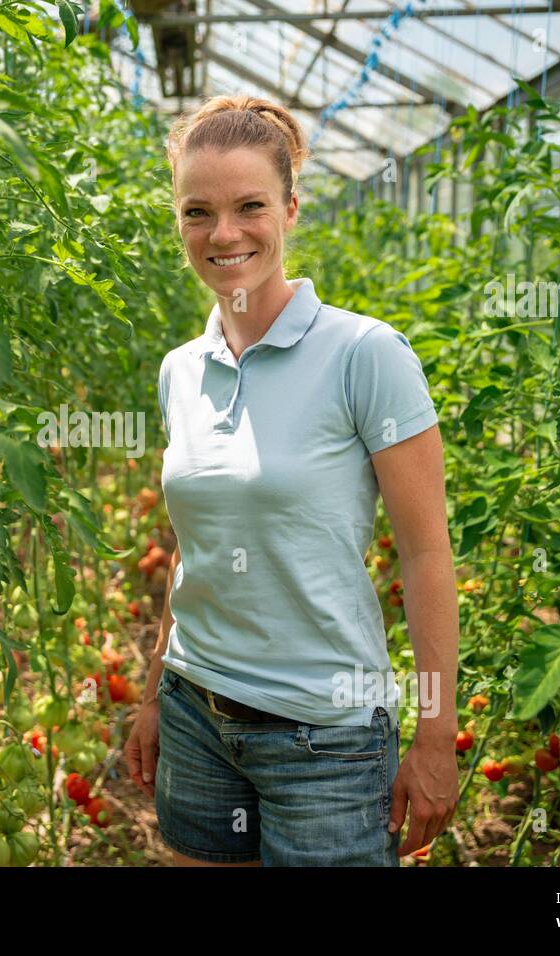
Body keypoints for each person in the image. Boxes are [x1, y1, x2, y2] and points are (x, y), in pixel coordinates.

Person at [124, 95, 460, 867]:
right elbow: (194, 547)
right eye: (197, 212)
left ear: (291, 209)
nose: (224, 233)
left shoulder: (365, 356)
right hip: (195, 716)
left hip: (328, 739)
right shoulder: (181, 370)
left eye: (250, 206)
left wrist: (436, 738)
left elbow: (427, 556)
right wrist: (153, 695)